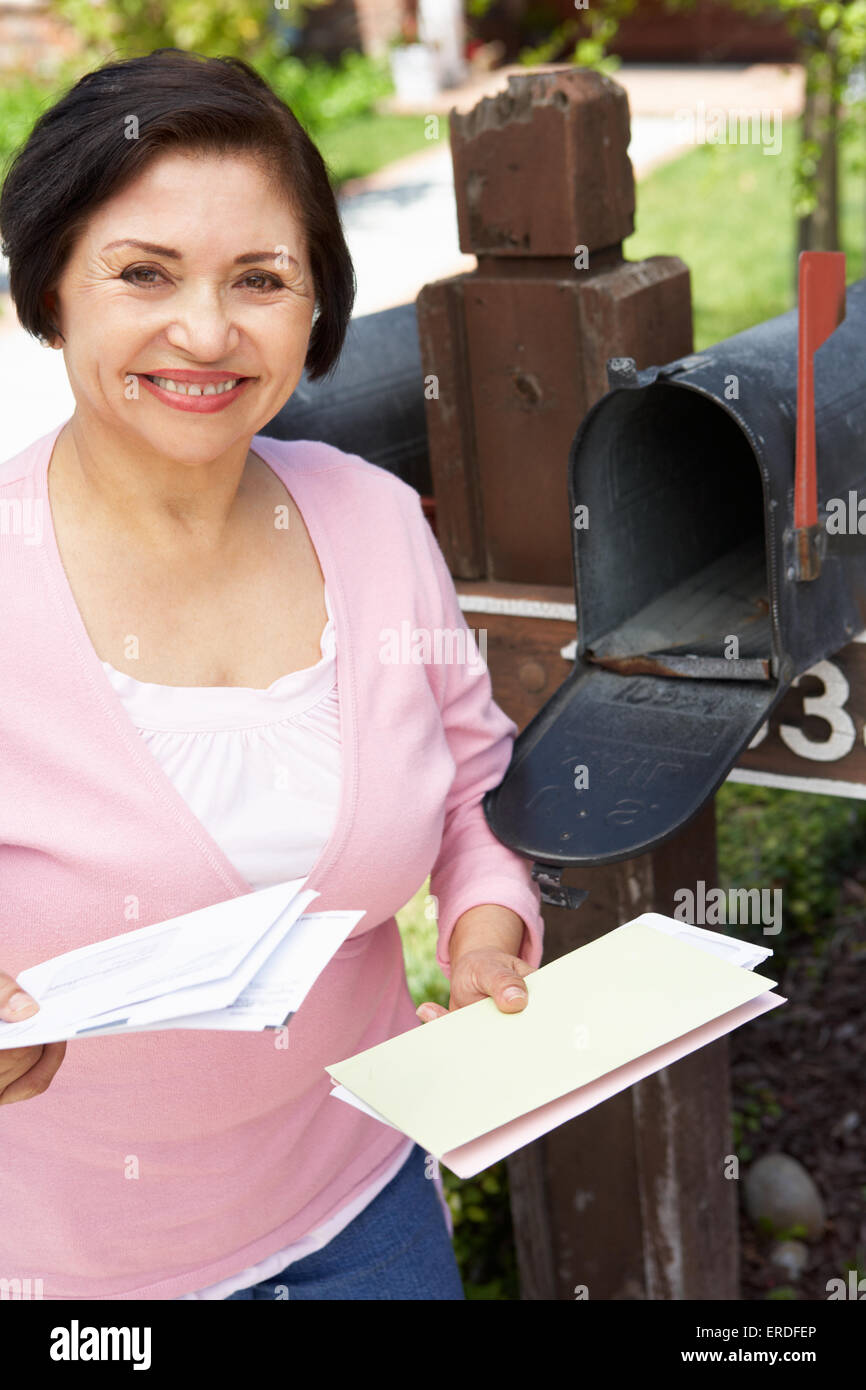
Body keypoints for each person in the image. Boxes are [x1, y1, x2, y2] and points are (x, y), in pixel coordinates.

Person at [0, 48, 544, 1301]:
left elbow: (472, 786)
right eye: (142, 273)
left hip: (365, 1216)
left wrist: (483, 929)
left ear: (315, 309)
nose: (206, 330)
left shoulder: (372, 521)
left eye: (260, 278)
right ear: (50, 290)